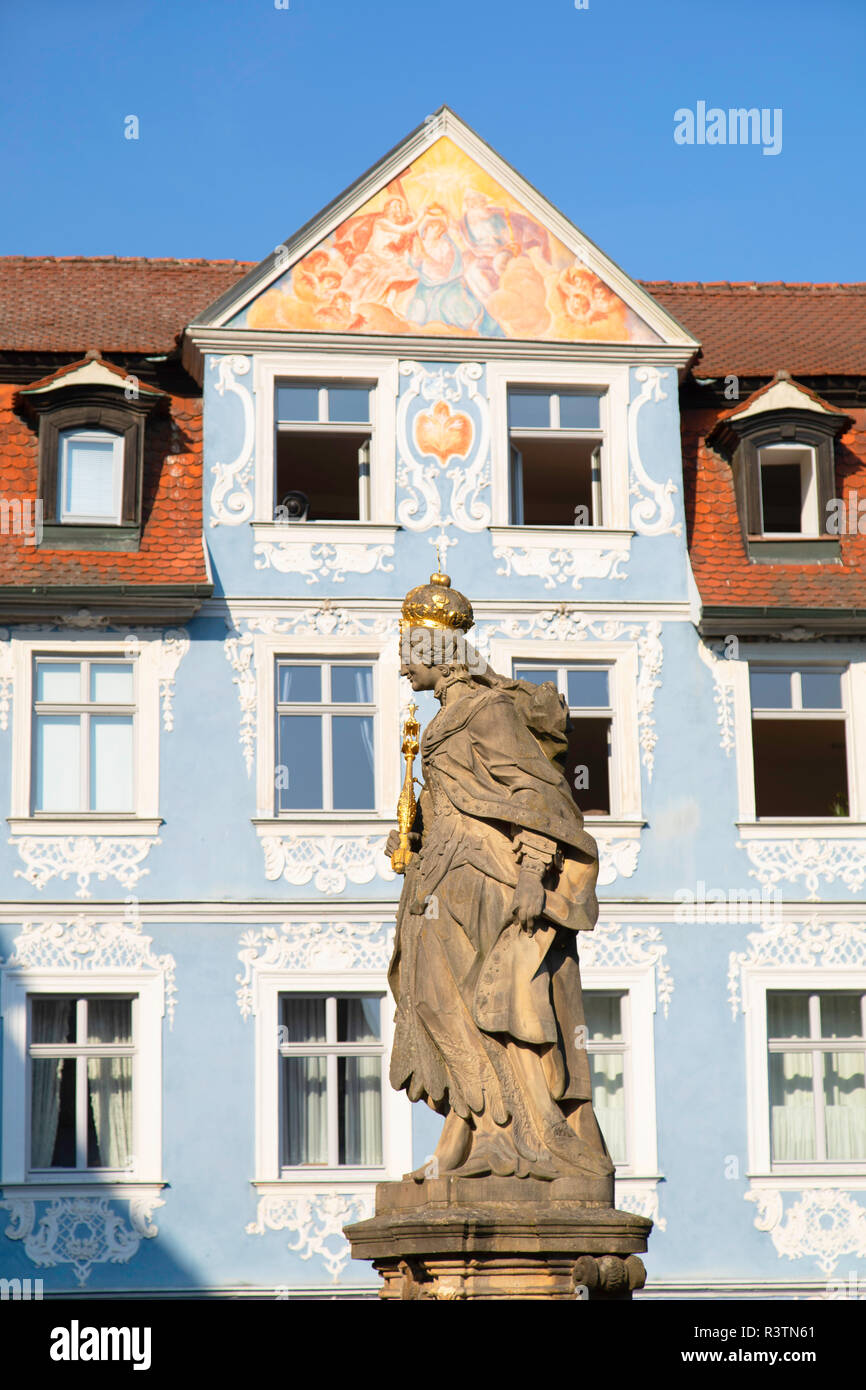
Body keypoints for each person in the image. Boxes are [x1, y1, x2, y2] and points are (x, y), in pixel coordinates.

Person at [385, 568, 614, 1182]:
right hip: (438, 881)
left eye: (408, 653)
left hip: (486, 879)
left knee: (490, 1008)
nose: (404, 668)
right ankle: (471, 1129)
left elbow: (542, 796)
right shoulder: (441, 722)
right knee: (433, 1003)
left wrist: (533, 878)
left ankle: (509, 1140)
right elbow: (459, 797)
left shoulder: (488, 711)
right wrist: (415, 831)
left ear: (436, 650)